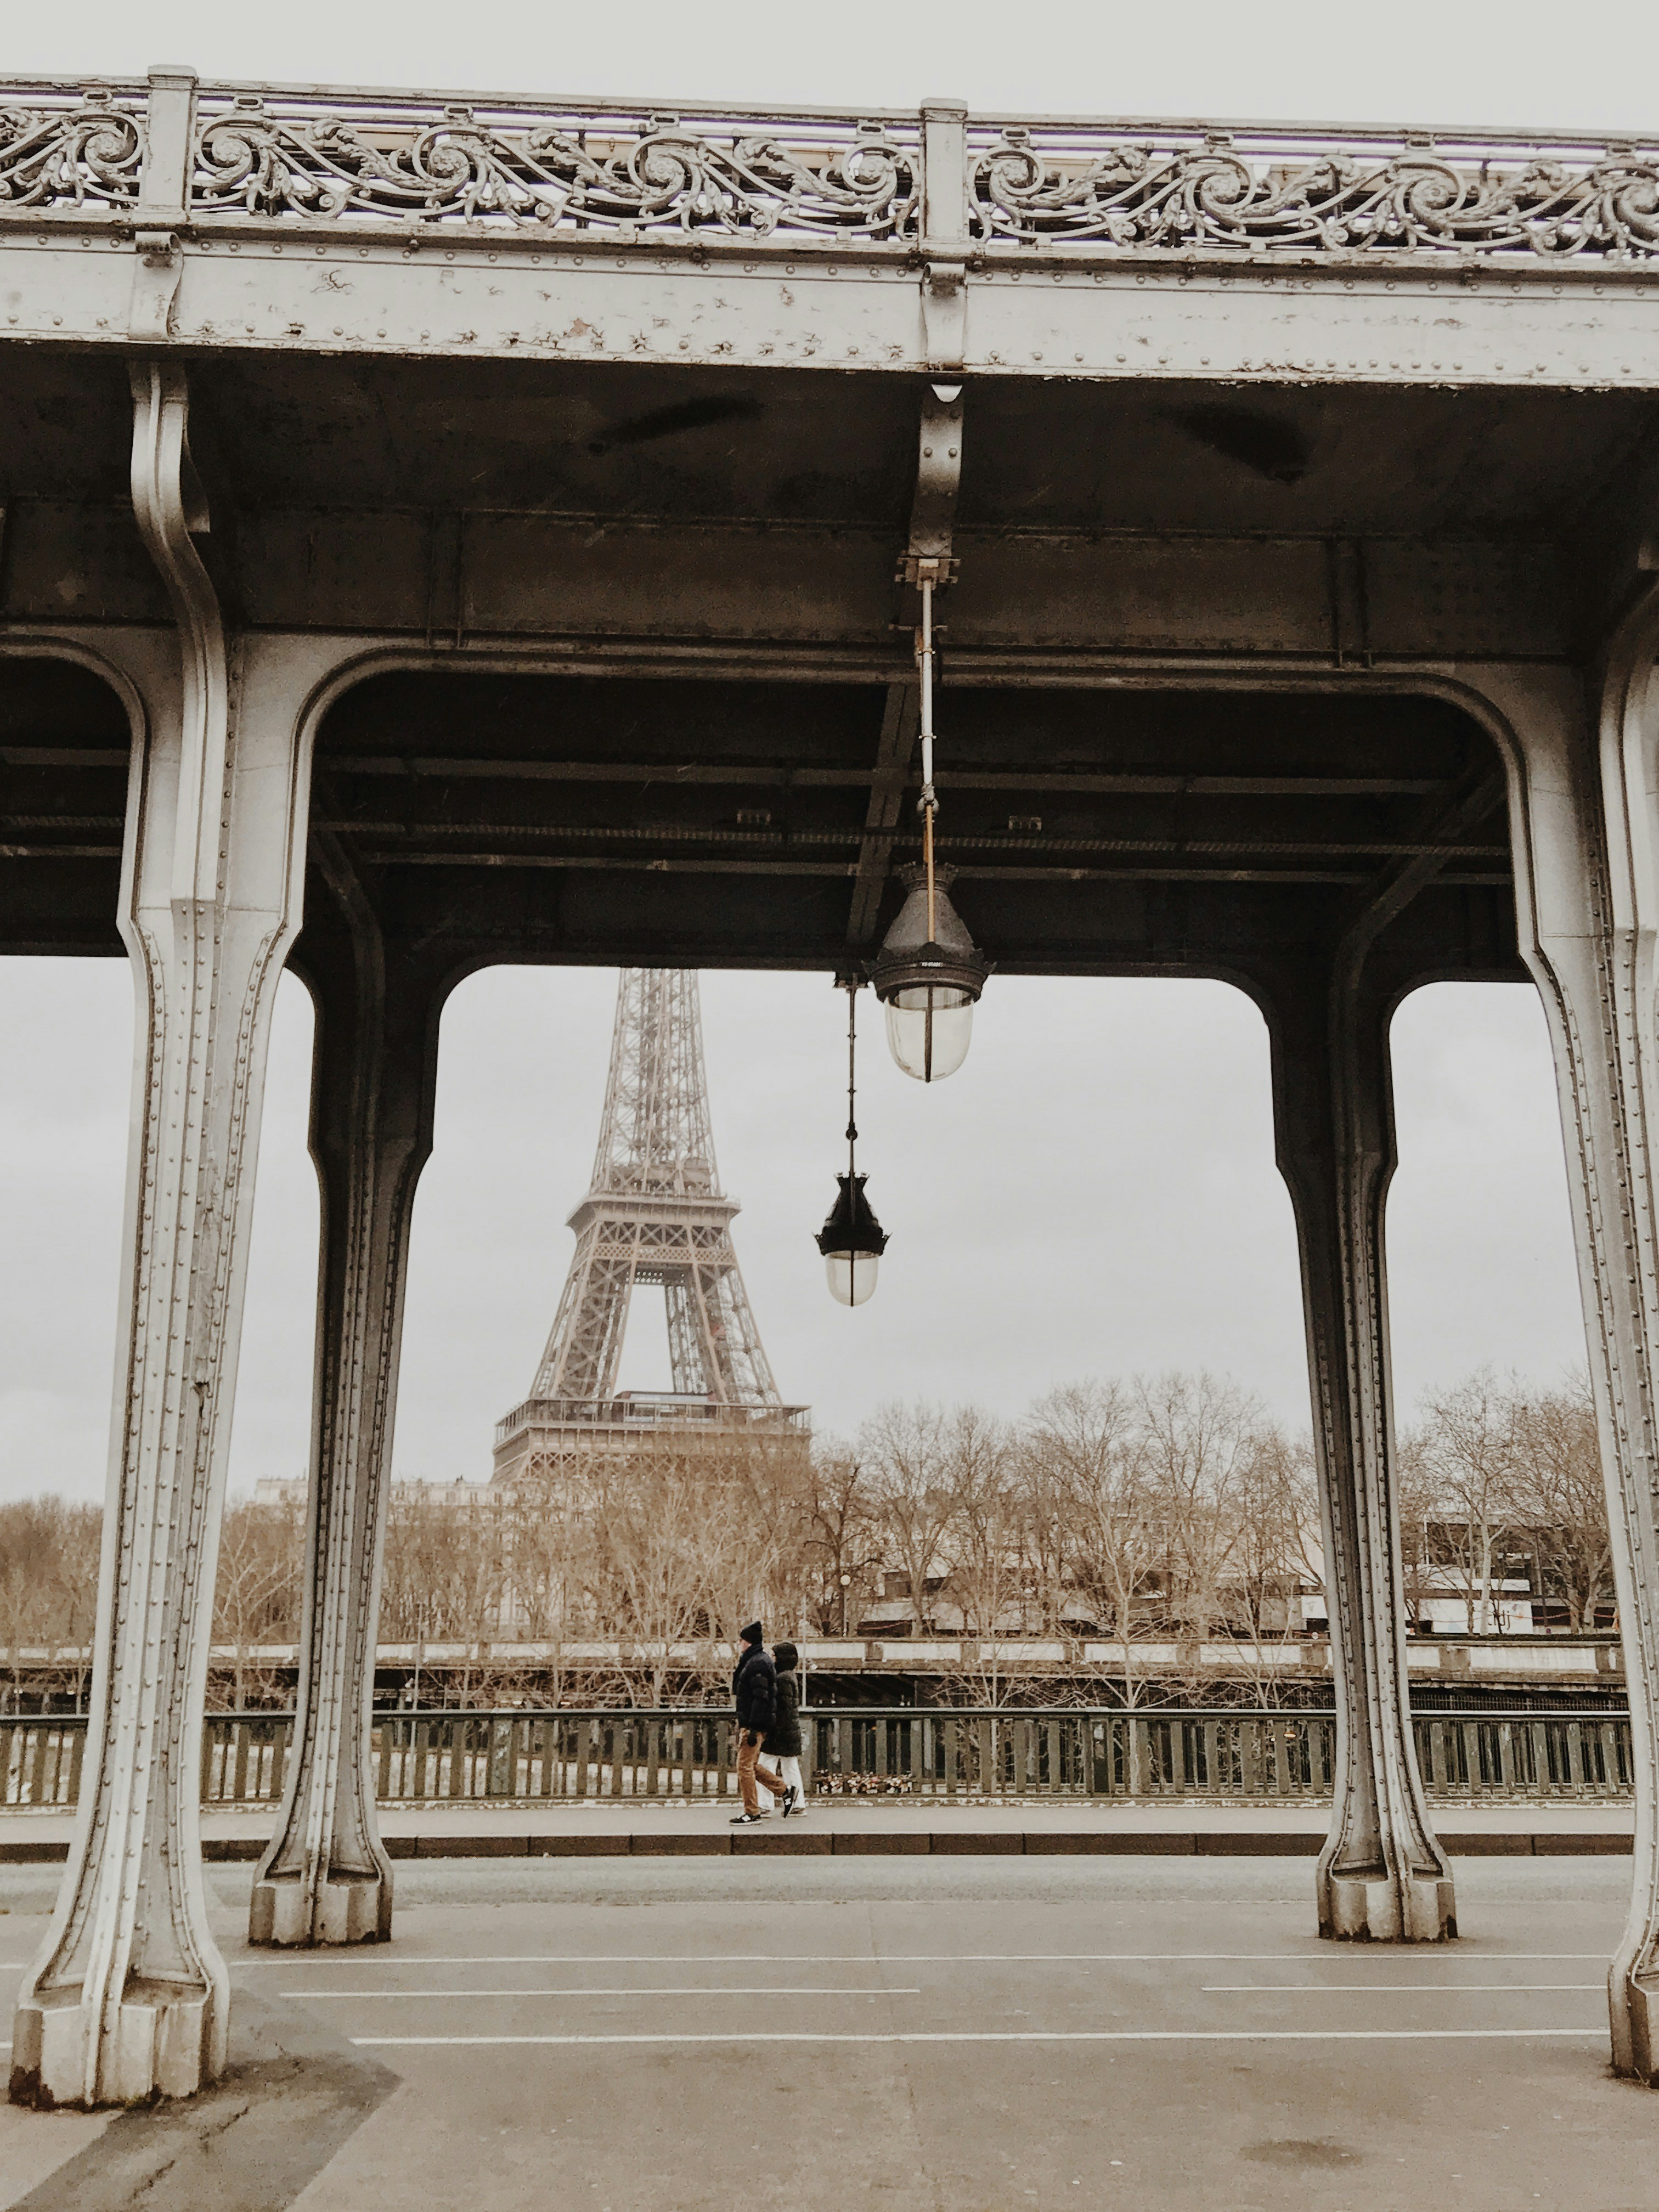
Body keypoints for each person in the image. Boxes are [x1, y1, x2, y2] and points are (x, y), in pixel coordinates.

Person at [731, 1620, 784, 1824]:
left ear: (748, 1642)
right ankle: (786, 1791)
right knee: (750, 1765)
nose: (739, 1643)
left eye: (741, 1640)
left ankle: (752, 1812)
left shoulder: (757, 1663)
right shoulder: (757, 1660)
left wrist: (753, 1728)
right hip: (754, 1722)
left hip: (753, 1724)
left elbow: (760, 1697)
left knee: (744, 1767)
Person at [765, 1640, 805, 1815]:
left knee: (764, 1767)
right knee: (791, 1766)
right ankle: (798, 1804)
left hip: (778, 1731)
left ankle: (765, 1804)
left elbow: (779, 1708)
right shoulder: (790, 1676)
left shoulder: (781, 1679)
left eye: (774, 1656)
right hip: (790, 1730)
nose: (772, 1659)